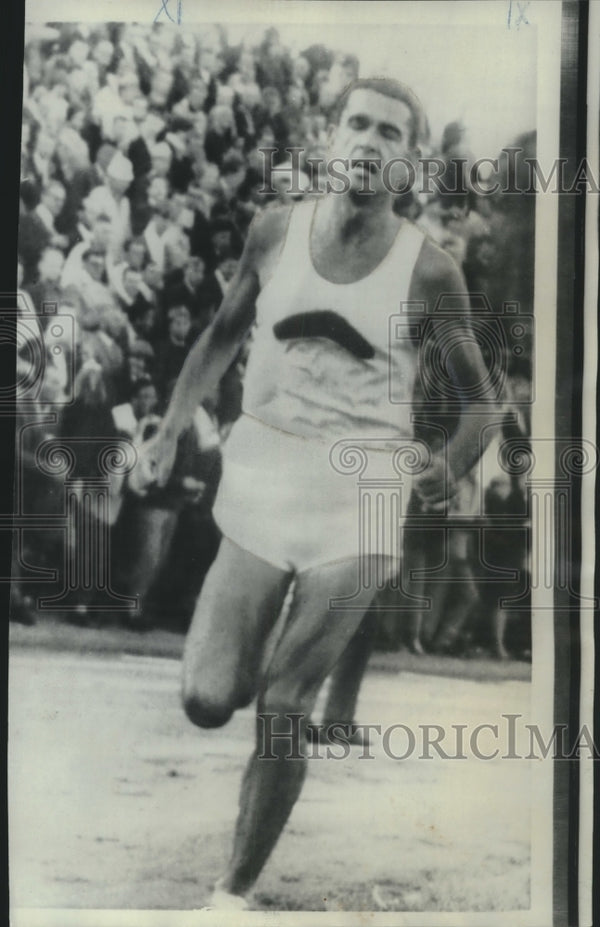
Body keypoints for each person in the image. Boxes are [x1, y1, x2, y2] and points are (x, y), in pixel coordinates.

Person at [131, 77, 496, 909]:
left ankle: (232, 891)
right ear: (330, 138)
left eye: (391, 134)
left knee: (286, 700)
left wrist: (450, 460)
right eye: (357, 124)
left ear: (410, 162)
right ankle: (285, 642)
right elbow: (222, 336)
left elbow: (483, 402)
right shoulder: (273, 230)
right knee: (206, 697)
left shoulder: (431, 272)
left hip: (364, 486)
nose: (370, 142)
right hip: (265, 472)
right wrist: (168, 426)